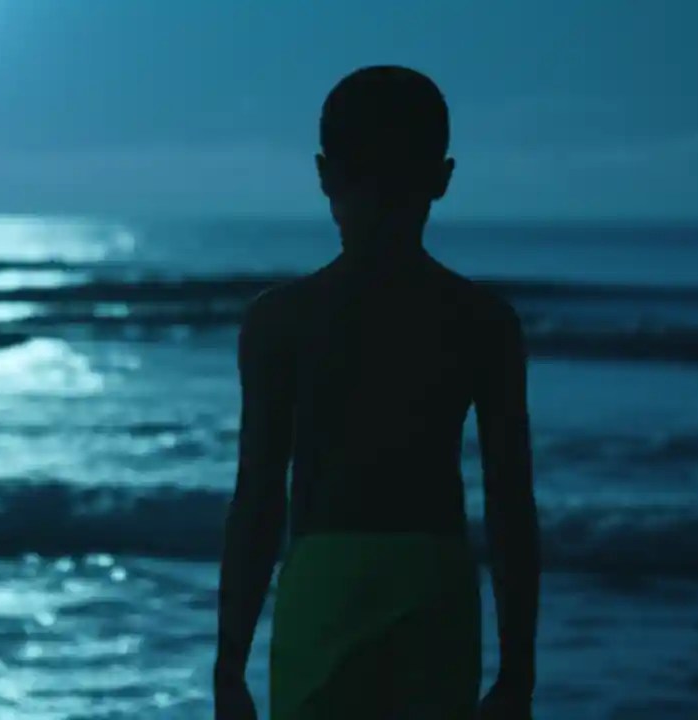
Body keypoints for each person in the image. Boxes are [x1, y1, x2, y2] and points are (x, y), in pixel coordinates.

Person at [213, 66, 540, 719]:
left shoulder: (283, 319)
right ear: (442, 179)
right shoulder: (480, 319)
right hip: (435, 581)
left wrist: (229, 668)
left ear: (325, 174)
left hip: (324, 585)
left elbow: (258, 498)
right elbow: (509, 507)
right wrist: (518, 672)